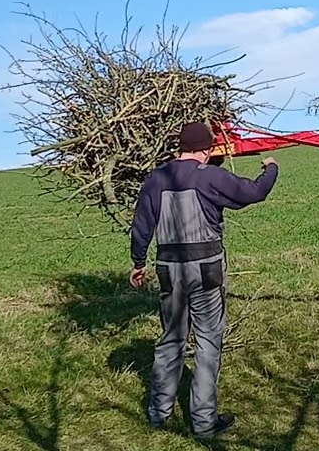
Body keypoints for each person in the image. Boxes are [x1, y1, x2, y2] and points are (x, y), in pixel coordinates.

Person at [128, 120, 280, 440]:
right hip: (207, 268)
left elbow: (142, 225)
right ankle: (203, 422)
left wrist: (139, 263)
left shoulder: (157, 178)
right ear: (208, 149)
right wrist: (271, 167)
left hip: (169, 268)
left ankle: (158, 415)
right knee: (208, 343)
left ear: (179, 147)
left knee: (171, 339)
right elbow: (253, 192)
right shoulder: (209, 175)